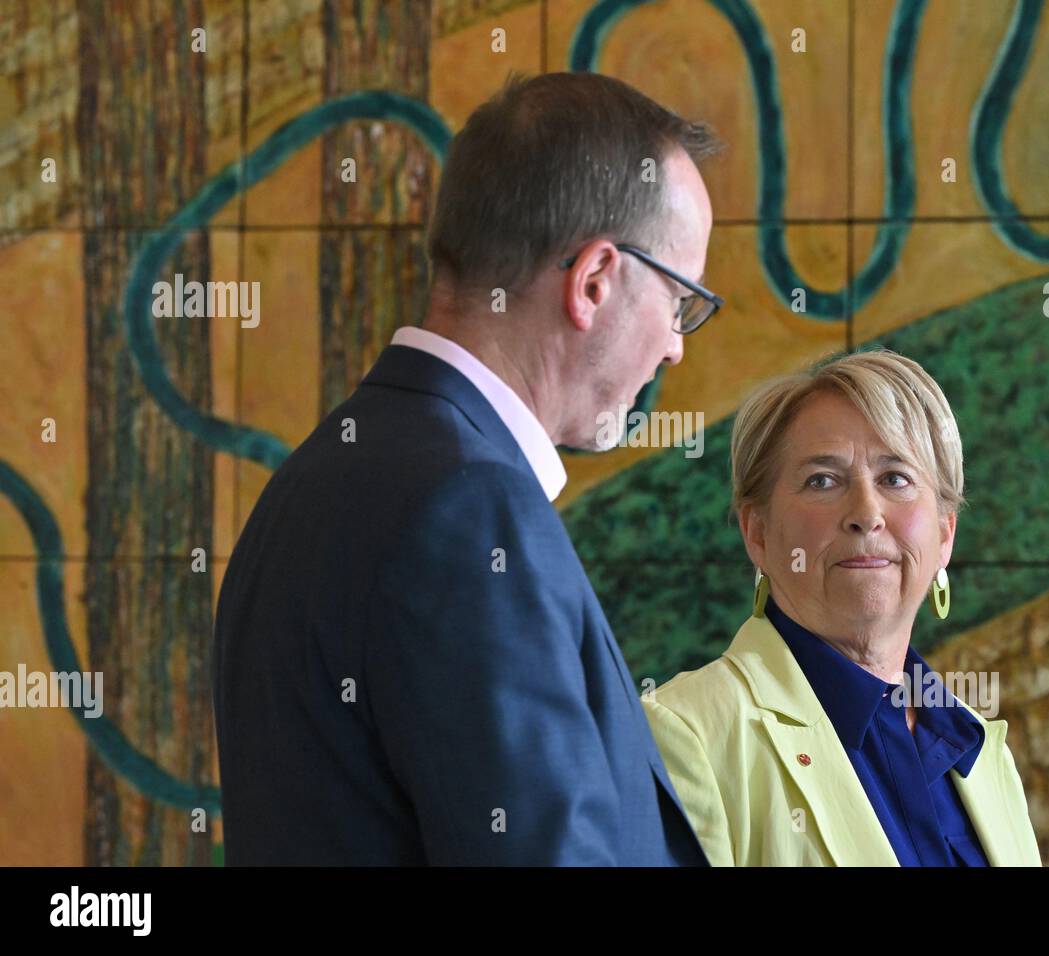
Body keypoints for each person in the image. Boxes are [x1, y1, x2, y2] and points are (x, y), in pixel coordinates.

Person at [214, 71, 722, 865]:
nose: (675, 345)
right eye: (681, 300)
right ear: (594, 281)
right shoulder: (472, 508)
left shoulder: (311, 481)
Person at [643, 350, 1042, 866]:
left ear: (945, 532)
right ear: (758, 533)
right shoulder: (686, 734)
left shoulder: (980, 747)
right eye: (822, 481)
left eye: (896, 478)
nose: (866, 514)